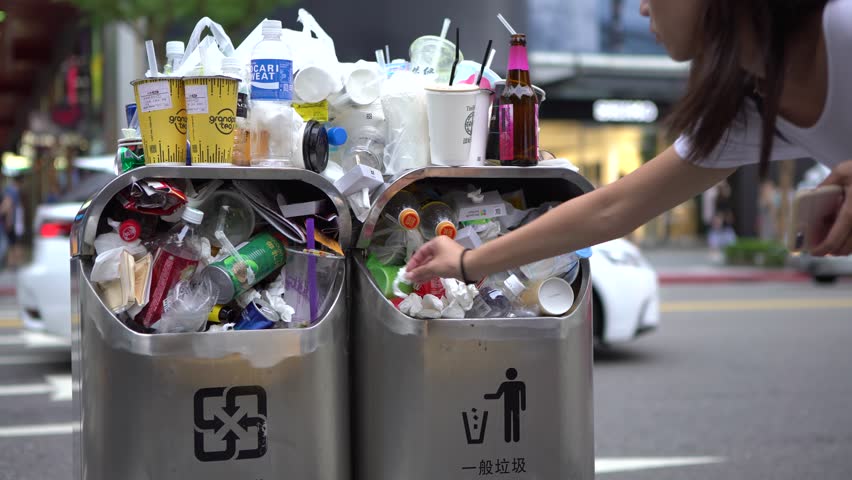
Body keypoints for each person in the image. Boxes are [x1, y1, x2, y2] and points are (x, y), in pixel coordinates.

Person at [406, 0, 852, 284]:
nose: (642, 9)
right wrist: (467, 262)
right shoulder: (745, 106)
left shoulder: (840, 29)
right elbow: (613, 208)